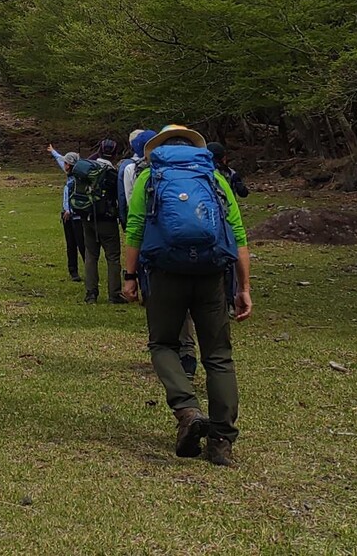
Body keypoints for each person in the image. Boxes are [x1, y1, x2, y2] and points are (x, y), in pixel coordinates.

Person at [121, 125, 251, 467]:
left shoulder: (150, 180)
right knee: (219, 356)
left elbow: (135, 228)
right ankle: (221, 441)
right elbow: (237, 233)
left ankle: (188, 410)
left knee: (163, 344)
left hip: (164, 274)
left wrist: (130, 276)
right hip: (211, 274)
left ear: (160, 149)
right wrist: (244, 287)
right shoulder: (215, 179)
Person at [122, 128, 199, 379]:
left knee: (160, 308)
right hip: (203, 254)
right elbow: (235, 227)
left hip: (159, 252)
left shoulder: (147, 175)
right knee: (191, 308)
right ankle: (189, 356)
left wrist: (130, 274)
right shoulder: (209, 174)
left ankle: (169, 359)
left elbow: (134, 222)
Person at [70, 150, 123, 304]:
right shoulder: (111, 173)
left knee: (91, 255)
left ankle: (91, 293)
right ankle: (114, 294)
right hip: (107, 219)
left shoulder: (87, 169)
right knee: (112, 257)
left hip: (87, 217)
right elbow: (118, 196)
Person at [48, 145, 84, 282]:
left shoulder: (77, 179)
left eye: (66, 163)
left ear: (70, 165)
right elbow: (59, 159)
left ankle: (89, 270)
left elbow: (76, 197)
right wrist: (53, 151)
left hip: (76, 217)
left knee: (81, 244)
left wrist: (70, 210)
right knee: (70, 244)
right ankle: (73, 271)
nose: (64, 165)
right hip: (67, 216)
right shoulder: (69, 174)